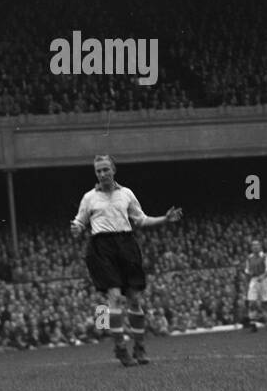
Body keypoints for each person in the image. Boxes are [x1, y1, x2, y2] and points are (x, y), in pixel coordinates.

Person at [70, 154, 183, 367]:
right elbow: (79, 222)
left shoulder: (126, 194)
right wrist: (76, 228)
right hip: (101, 247)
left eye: (105, 169)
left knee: (134, 299)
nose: (102, 174)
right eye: (98, 171)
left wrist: (165, 219)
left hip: (126, 244)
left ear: (113, 170)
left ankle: (139, 347)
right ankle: (120, 347)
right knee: (114, 296)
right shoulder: (89, 198)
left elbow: (141, 220)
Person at [243, 239, 267, 331]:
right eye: (253, 245)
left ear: (260, 247)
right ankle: (253, 324)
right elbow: (247, 271)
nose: (255, 247)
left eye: (257, 245)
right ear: (251, 248)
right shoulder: (249, 258)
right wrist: (247, 283)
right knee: (252, 301)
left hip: (264, 280)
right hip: (254, 280)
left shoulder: (265, 257)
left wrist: (263, 276)